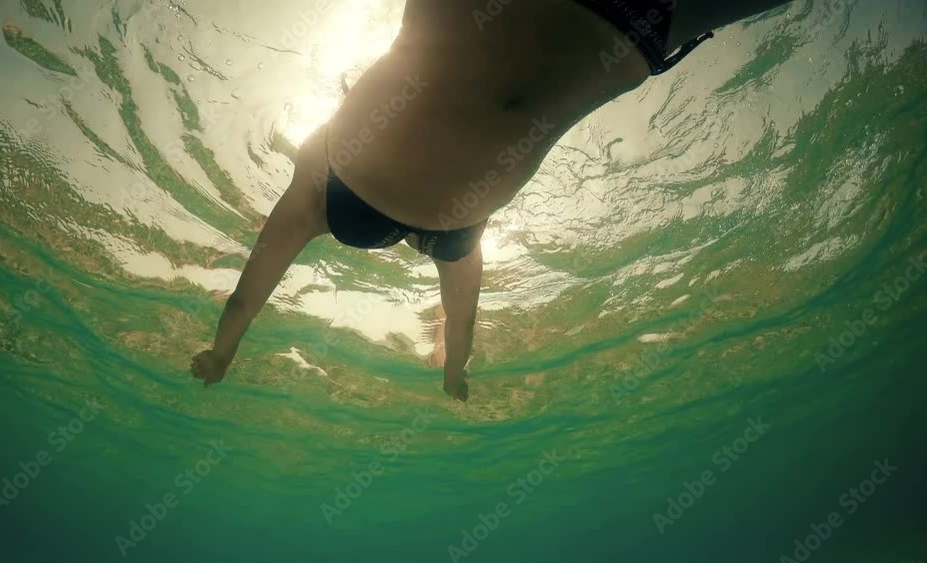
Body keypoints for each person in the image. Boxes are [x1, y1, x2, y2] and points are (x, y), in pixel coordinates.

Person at [192, 0, 795, 400]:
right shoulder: (426, 229)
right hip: (644, 23)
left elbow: (255, 284)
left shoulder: (315, 171)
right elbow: (461, 319)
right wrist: (455, 371)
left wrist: (224, 352)